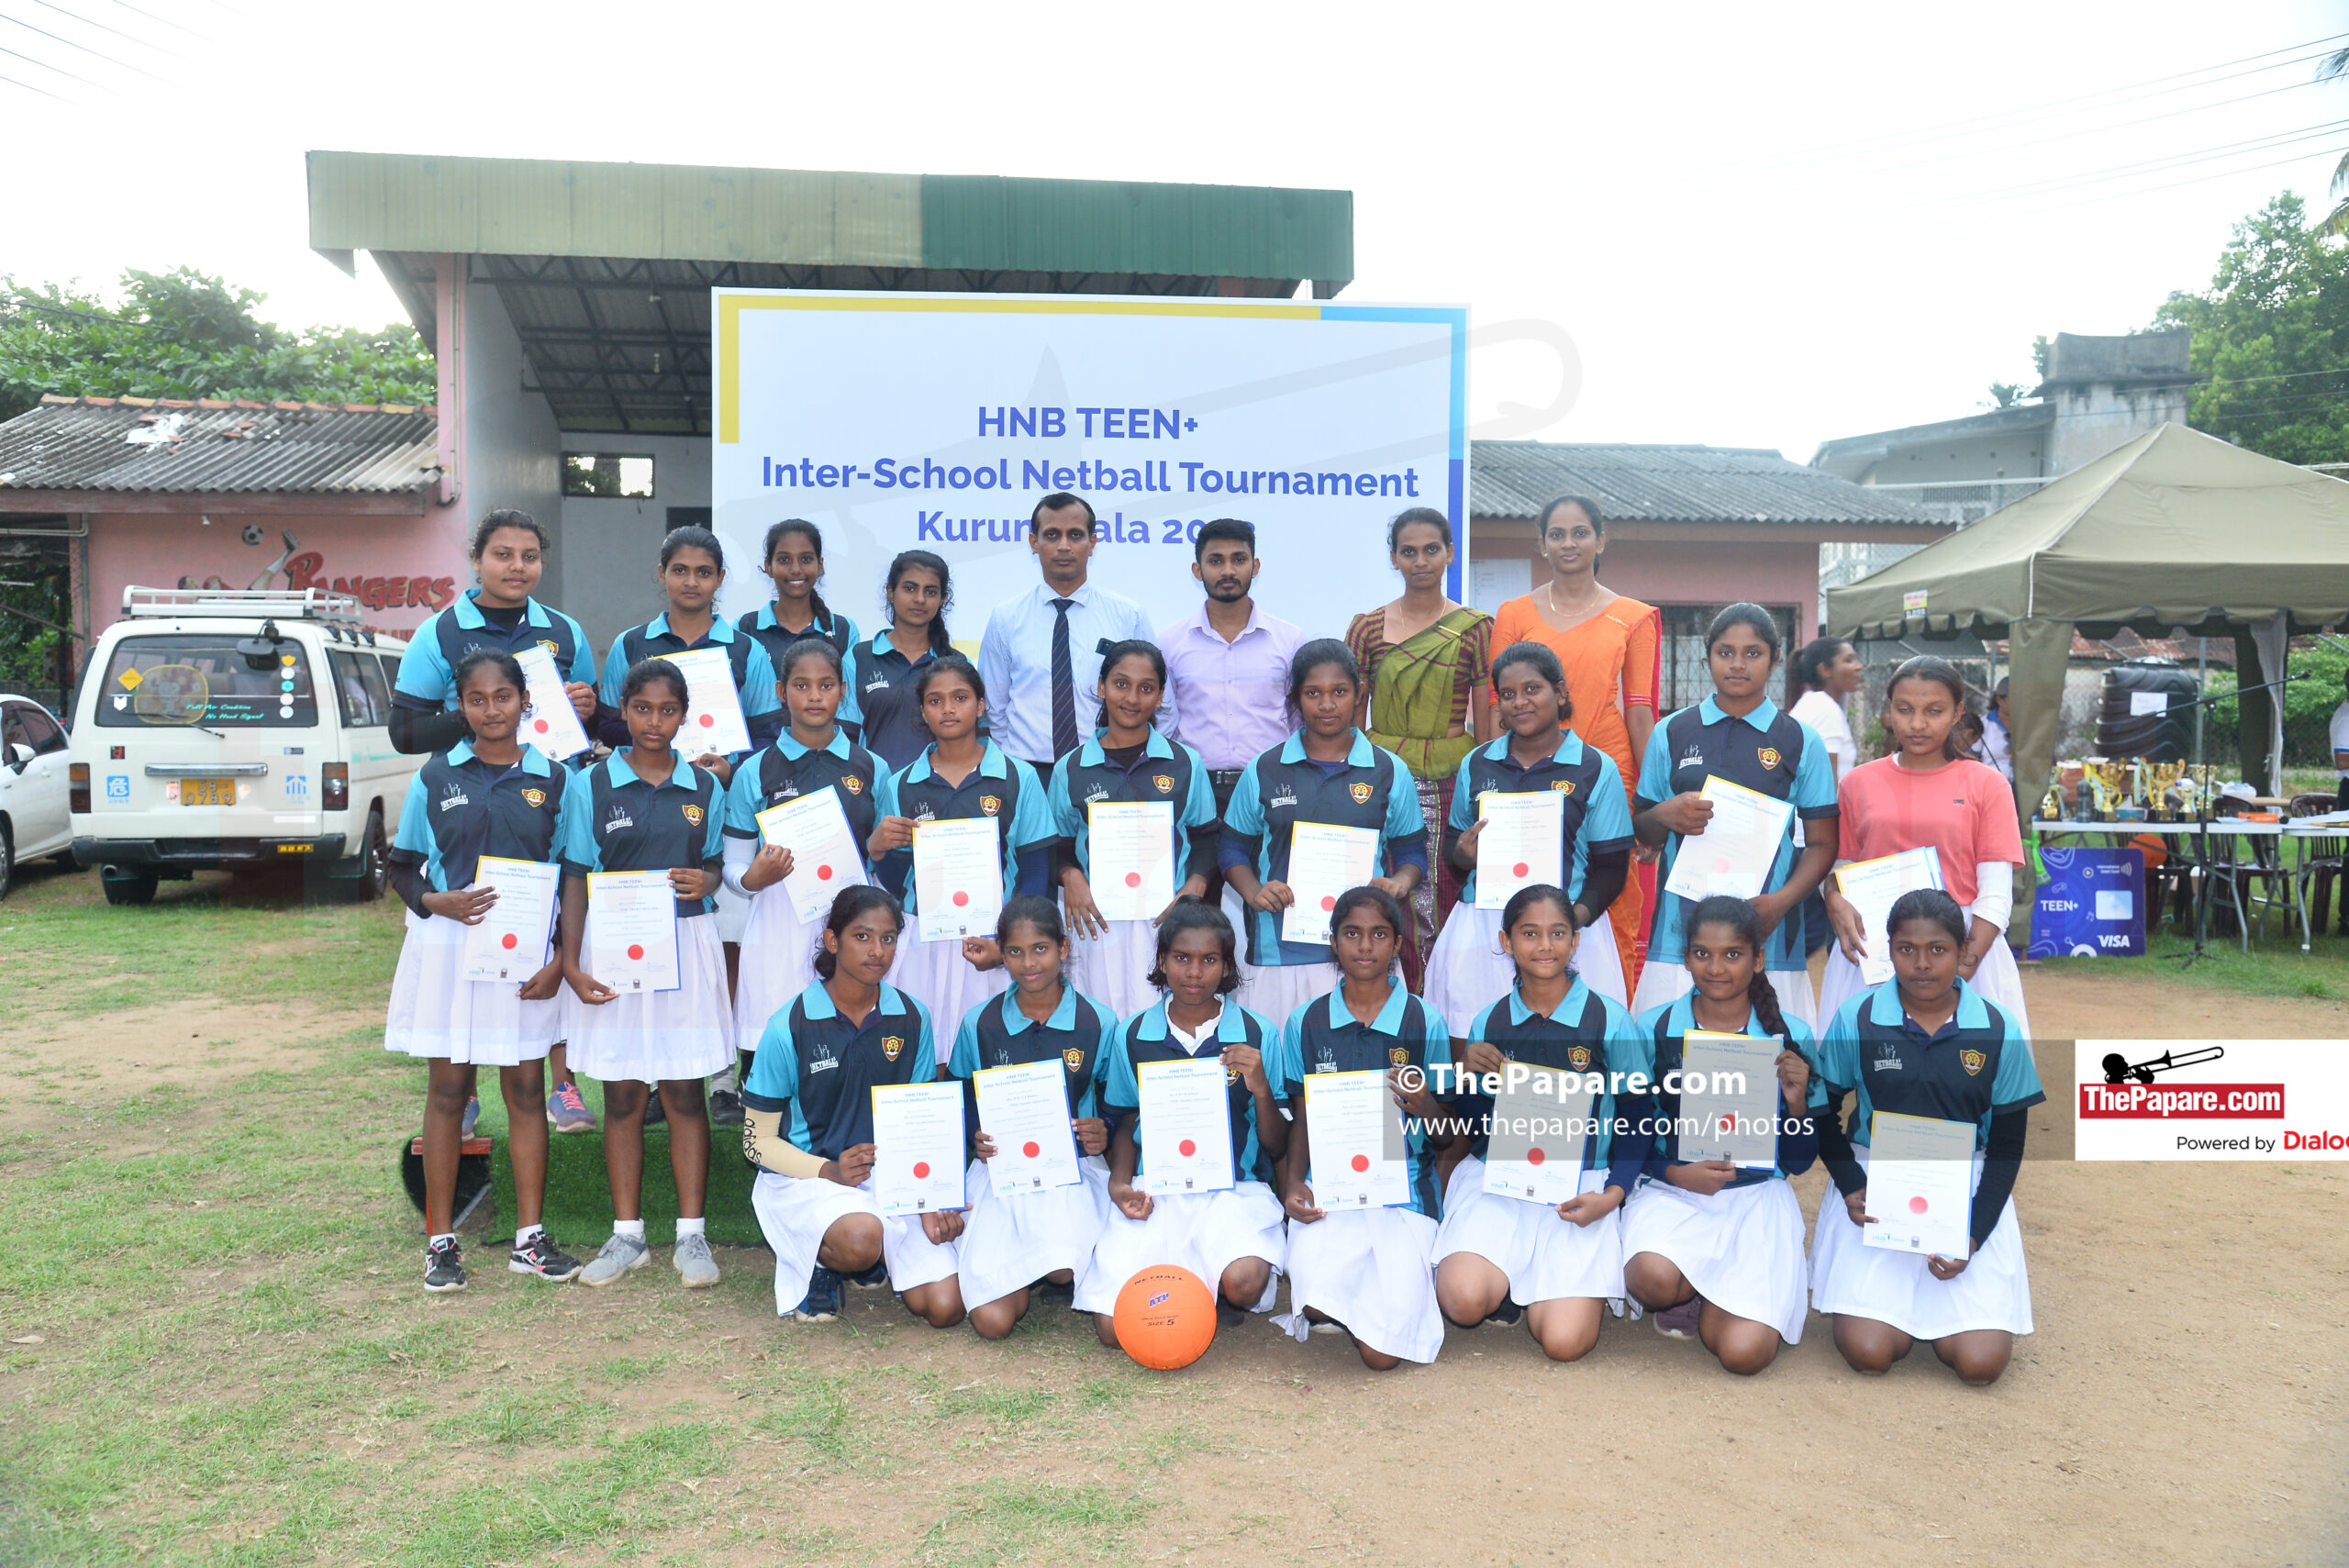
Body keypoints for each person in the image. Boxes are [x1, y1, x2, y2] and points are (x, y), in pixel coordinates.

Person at [390, 506, 601, 1135]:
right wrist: (482, 713)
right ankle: (466, 1091)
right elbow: (404, 730)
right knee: (462, 954)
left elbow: (591, 731)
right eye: (503, 554)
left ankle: (561, 1084)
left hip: (539, 812)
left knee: (548, 947)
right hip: (463, 814)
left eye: (529, 556)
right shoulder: (441, 631)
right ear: (476, 559)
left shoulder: (563, 631)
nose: (517, 566)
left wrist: (588, 707)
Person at [384, 649, 581, 1291]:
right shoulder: (435, 776)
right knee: (448, 1091)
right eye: (477, 698)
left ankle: (529, 1238)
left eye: (503, 696)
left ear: (526, 702)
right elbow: (403, 866)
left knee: (525, 1090)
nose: (491, 709)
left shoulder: (555, 780)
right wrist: (436, 901)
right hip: (449, 951)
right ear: (460, 706)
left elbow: (575, 876)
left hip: (525, 958)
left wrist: (561, 960)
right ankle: (440, 1242)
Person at [1809, 889, 2042, 1385]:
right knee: (1869, 1352)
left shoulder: (1998, 1028)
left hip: (1966, 1193)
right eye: (1905, 949)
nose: (1921, 964)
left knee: (1980, 1364)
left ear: (1963, 952)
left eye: (1938, 950)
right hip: (1876, 1190)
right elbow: (1821, 1112)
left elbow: (2007, 1145)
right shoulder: (1859, 1017)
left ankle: (1953, 1302)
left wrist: (1973, 1234)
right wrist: (1852, 1184)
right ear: (1888, 950)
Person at [555, 659, 732, 1291]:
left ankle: (692, 1233)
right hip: (616, 945)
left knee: (685, 1092)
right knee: (625, 1093)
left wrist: (703, 880)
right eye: (641, 709)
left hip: (685, 942)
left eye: (668, 710)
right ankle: (627, 1233)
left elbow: (712, 867)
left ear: (685, 715)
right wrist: (572, 962)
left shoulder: (706, 788)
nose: (654, 722)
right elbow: (575, 873)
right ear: (622, 710)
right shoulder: (589, 784)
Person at [599, 525, 785, 1127]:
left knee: (720, 947)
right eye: (680, 569)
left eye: (704, 572)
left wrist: (732, 765)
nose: (691, 581)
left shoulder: (745, 648)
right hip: (648, 811)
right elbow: (608, 725)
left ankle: (725, 1077)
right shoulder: (631, 644)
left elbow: (769, 734)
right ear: (662, 573)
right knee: (652, 939)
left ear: (721, 580)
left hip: (720, 813)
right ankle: (657, 1074)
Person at [1430, 884, 1652, 1363]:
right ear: (1506, 942)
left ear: (1575, 941)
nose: (1544, 945)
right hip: (1501, 1179)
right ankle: (1505, 1282)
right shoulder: (1490, 1022)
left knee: (1564, 1343)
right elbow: (1477, 1130)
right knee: (1463, 1302)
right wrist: (1466, 1079)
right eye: (1529, 933)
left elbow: (1638, 1119)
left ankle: (1534, 1287)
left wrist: (1613, 1194)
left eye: (1557, 933)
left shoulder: (1608, 1018)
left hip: (1579, 1189)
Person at [741, 886, 966, 1327]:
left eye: (887, 938)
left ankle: (873, 1250)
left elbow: (921, 1123)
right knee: (861, 1238)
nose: (877, 951)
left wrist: (933, 1200)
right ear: (832, 941)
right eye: (862, 937)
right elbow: (756, 1143)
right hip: (808, 1177)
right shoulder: (789, 1024)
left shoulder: (913, 1017)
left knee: (945, 1308)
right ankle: (826, 1265)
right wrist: (830, 1172)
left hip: (891, 1178)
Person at [1623, 895, 1819, 1373]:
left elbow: (1797, 1163)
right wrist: (1674, 1172)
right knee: (1649, 1278)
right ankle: (1685, 1289)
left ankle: (1717, 1297)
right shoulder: (1653, 1027)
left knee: (1742, 1354)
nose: (1716, 968)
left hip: (1756, 1199)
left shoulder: (1790, 1035)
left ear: (1757, 959)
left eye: (1732, 954)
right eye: (1701, 953)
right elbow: (1629, 1129)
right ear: (1686, 956)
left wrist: (1796, 1103)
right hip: (1675, 1191)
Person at [1078, 902, 1289, 1341]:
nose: (1195, 972)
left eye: (1209, 960)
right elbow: (1123, 1119)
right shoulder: (1133, 1033)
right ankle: (1187, 1291)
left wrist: (1262, 1088)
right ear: (1162, 961)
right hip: (1160, 1188)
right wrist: (1121, 1183)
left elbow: (1276, 1143)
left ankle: (1198, 1289)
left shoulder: (1258, 1032)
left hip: (1235, 1190)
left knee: (1244, 1284)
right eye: (1182, 958)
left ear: (1227, 966)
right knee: (1114, 1330)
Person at [1267, 885, 1452, 1370]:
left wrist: (1425, 1102)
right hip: (1333, 1188)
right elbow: (1302, 1117)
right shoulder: (1305, 1022)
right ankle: (1349, 1291)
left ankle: (1376, 1292)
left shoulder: (1424, 1021)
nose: (1365, 946)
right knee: (1316, 1306)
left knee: (1382, 1356)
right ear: (1333, 942)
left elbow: (1448, 1134)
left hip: (1404, 1192)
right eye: (1352, 933)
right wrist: (1293, 1188)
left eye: (1378, 935)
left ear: (1396, 945)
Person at [1630, 604, 1839, 1029]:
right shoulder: (1670, 731)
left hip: (1770, 932)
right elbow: (1641, 829)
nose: (1738, 664)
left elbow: (1824, 843)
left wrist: (1779, 904)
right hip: (1679, 932)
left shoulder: (1800, 740)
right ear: (1707, 657)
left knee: (1774, 1067)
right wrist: (1666, 814)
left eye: (1753, 653)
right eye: (1725, 652)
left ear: (1775, 659)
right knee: (1669, 1063)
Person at [1492, 495, 1659, 989]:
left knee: (1615, 902)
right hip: (1527, 773)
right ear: (1542, 544)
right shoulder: (1514, 612)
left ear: (1601, 539)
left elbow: (1640, 710)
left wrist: (1649, 805)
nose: (1569, 543)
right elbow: (1498, 705)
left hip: (1611, 774)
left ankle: (1611, 1022)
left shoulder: (1633, 616)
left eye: (1581, 532)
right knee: (1523, 894)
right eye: (1558, 534)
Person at [1819, 655, 2031, 1036]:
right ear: (1888, 713)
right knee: (1868, 1075)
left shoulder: (1987, 785)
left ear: (1957, 713)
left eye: (1934, 710)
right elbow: (1842, 869)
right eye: (1904, 709)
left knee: (1964, 1079)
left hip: (1965, 954)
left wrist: (1957, 973)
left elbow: (1996, 896)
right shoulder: (1858, 783)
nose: (1917, 724)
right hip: (1876, 954)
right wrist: (1832, 897)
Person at [1220, 640, 1427, 1022]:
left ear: (1359, 694)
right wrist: (1253, 892)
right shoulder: (1265, 768)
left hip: (1364, 955)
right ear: (1296, 699)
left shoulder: (1389, 770)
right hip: (1279, 953)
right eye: (1313, 693)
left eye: (1340, 692)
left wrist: (1400, 881)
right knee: (1277, 1070)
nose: (1327, 704)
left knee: (1363, 1073)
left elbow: (1412, 851)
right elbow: (1232, 848)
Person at [1425, 640, 1634, 1017]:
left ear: (1560, 692)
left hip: (1567, 930)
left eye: (1531, 689)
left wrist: (1569, 925)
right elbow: (1453, 850)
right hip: (1483, 927)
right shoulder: (1477, 763)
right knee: (1473, 1054)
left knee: (1570, 1060)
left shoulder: (1595, 768)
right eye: (1508, 694)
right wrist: (1463, 854)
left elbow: (1611, 867)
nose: (1519, 702)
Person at [869, 654, 1057, 1051]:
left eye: (960, 697)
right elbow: (894, 881)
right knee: (926, 1055)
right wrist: (881, 850)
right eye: (935, 701)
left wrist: (1011, 942)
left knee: (993, 1056)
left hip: (993, 940)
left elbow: (1036, 869)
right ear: (921, 710)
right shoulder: (900, 784)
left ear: (981, 705)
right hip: (924, 940)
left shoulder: (1017, 776)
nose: (948, 709)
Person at [949, 897, 1116, 1340]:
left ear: (1063, 948)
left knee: (1062, 1268)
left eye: (1040, 948)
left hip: (1073, 1171)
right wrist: (974, 1138)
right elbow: (962, 1096)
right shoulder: (979, 1022)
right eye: (1016, 952)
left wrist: (1105, 1132)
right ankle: (1022, 1268)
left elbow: (1118, 1104)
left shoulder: (1099, 1021)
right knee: (992, 1323)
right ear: (1000, 954)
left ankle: (1050, 1267)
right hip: (1001, 1171)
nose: (1029, 963)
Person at [722, 638, 882, 1092]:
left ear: (843, 691)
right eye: (802, 685)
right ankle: (774, 1159)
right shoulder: (755, 771)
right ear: (780, 692)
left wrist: (882, 848)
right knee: (779, 1053)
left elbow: (884, 863)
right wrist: (753, 879)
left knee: (848, 1052)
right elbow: (735, 866)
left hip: (853, 925)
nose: (814, 696)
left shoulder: (873, 768)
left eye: (826, 685)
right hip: (778, 925)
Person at [1345, 507, 1493, 988]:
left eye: (1432, 550)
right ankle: (1393, 996)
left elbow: (1486, 713)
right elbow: (1354, 713)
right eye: (1409, 551)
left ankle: (1442, 999)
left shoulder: (1475, 628)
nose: (1421, 561)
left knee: (1446, 888)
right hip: (1382, 780)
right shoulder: (1368, 629)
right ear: (1394, 558)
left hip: (1452, 778)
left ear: (1450, 553)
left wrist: (1492, 782)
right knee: (1383, 887)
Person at [1051, 639, 1220, 1018]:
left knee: (1162, 1026)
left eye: (1146, 688)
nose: (1132, 698)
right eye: (1121, 684)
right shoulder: (1070, 768)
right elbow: (1056, 843)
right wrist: (1070, 875)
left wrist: (1193, 888)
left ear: (1160, 696)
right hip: (1095, 922)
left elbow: (1208, 838)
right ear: (1101, 687)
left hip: (1165, 918)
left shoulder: (1185, 763)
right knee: (1100, 1023)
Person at [1160, 518, 1307, 904]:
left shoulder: (1289, 641)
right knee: (1195, 915)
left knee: (1270, 905)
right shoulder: (1170, 643)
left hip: (1270, 790)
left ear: (1255, 566)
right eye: (1216, 560)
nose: (1227, 570)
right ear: (1198, 570)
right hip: (1197, 792)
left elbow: (1298, 721)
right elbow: (1164, 724)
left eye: (1238, 559)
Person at [979, 493, 1165, 773]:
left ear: (1092, 543)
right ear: (1034, 543)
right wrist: (1017, 768)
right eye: (1052, 535)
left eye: (1075, 535)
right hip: (1028, 774)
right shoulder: (1005, 619)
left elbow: (1162, 703)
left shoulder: (1128, 616)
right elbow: (994, 708)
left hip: (1109, 770)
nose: (1063, 546)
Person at [841, 550, 956, 775]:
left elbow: (968, 744)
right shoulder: (858, 658)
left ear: (942, 599)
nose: (920, 599)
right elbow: (844, 741)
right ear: (891, 592)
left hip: (941, 798)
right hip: (873, 794)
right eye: (910, 588)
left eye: (930, 591)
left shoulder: (956, 665)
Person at [1787, 637, 1865, 963]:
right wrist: (1835, 846)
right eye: (1848, 660)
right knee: (1815, 933)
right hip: (1815, 839)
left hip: (1804, 836)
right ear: (1825, 669)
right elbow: (1826, 784)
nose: (1858, 666)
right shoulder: (1825, 709)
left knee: (1810, 933)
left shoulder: (1815, 705)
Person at [737, 518, 860, 673]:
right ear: (768, 566)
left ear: (820, 565)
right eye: (784, 560)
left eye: (806, 559)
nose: (795, 569)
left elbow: (848, 694)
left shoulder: (844, 630)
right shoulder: (745, 627)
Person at [1977, 676, 2014, 781]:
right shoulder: (1983, 724)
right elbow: (1971, 759)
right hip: (1991, 786)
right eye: (2015, 698)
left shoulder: (2028, 725)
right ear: (2000, 700)